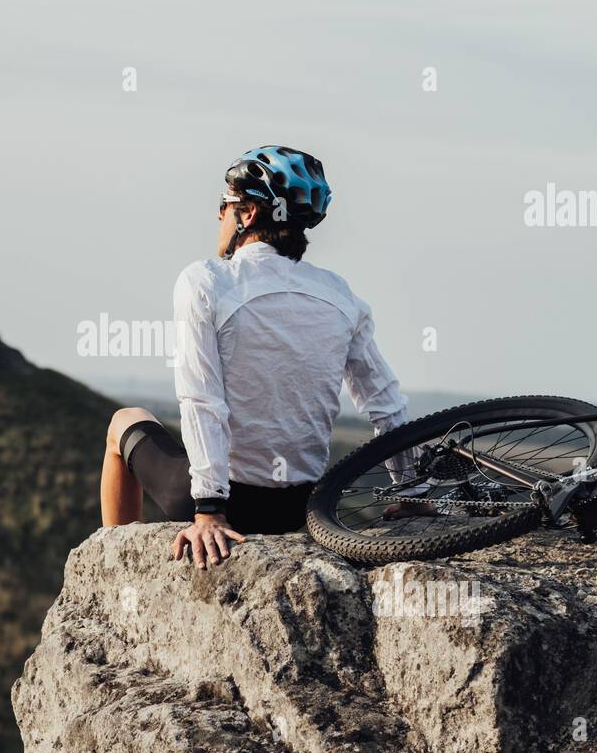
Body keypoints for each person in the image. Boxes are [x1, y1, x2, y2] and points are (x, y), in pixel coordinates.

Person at [100, 146, 413, 569]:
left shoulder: (206, 280)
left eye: (225, 205)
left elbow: (201, 398)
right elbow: (385, 403)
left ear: (247, 214)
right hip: (302, 509)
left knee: (124, 420)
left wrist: (208, 510)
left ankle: (113, 562)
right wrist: (412, 491)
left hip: (230, 504)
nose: (218, 216)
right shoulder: (340, 294)